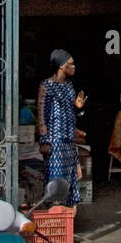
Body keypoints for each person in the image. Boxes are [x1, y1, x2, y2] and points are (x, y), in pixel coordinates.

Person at [37, 50, 85, 206]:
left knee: (71, 181)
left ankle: (67, 223)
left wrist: (78, 107)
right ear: (62, 66)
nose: (74, 66)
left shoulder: (69, 86)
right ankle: (55, 217)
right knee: (56, 180)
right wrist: (44, 140)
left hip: (69, 142)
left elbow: (73, 112)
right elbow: (42, 113)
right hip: (55, 142)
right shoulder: (47, 85)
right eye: (71, 64)